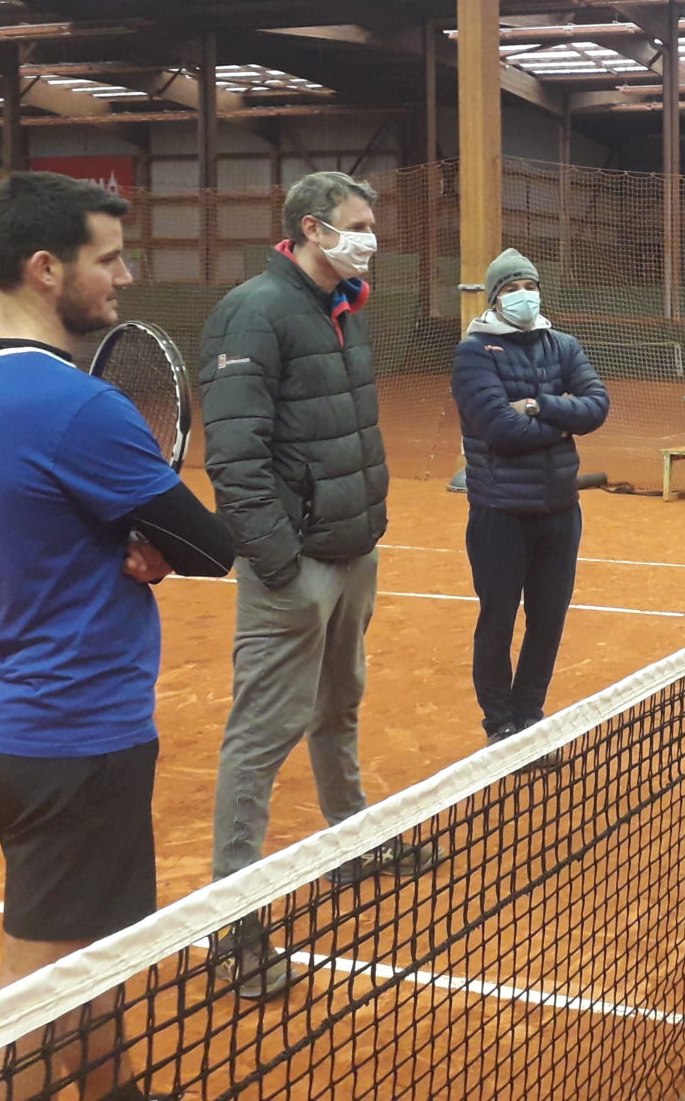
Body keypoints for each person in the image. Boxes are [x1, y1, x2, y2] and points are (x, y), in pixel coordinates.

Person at [0, 172, 235, 1101]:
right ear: (44, 268)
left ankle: (115, 1091)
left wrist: (135, 537)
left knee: (87, 950)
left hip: (3, 726)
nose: (124, 276)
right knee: (30, 995)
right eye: (106, 258)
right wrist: (156, 540)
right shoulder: (80, 409)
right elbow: (212, 546)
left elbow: (56, 520)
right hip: (75, 738)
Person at [199, 170, 435, 1001]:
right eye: (358, 224)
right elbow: (233, 455)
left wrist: (358, 537)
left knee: (339, 707)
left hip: (352, 550)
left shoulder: (343, 308)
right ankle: (234, 918)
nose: (372, 236)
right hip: (295, 569)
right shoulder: (255, 312)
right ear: (311, 227)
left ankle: (352, 838)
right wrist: (281, 570)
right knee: (261, 737)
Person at [451, 248, 610, 747]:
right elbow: (498, 428)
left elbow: (597, 406)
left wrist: (540, 405)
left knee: (548, 619)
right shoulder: (474, 352)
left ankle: (529, 717)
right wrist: (561, 428)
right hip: (499, 512)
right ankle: (499, 722)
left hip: (561, 509)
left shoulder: (563, 345)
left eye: (529, 286)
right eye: (511, 289)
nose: (523, 295)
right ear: (495, 298)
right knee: (498, 618)